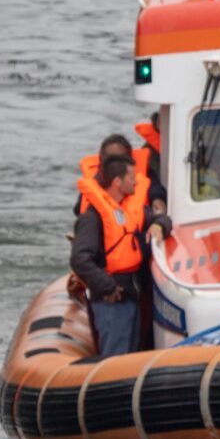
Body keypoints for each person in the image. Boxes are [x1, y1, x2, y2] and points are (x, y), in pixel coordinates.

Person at [71, 153, 171, 358]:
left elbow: (163, 220)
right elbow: (79, 259)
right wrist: (107, 286)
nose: (136, 181)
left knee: (129, 357)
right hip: (111, 301)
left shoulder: (128, 210)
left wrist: (159, 226)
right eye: (131, 177)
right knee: (116, 360)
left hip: (129, 296)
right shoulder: (92, 218)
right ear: (117, 182)